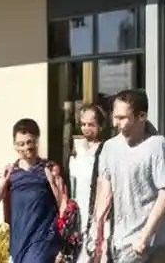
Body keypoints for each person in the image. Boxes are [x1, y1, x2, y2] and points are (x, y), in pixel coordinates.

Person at [0, 119, 72, 263]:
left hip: (43, 243)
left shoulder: (49, 170)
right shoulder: (11, 174)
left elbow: (64, 206)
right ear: (14, 145)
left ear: (36, 141)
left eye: (29, 142)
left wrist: (63, 244)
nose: (26, 147)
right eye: (21, 144)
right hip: (18, 244)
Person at [90, 89, 165, 263]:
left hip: (153, 245)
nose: (116, 123)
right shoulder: (109, 148)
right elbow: (104, 195)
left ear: (141, 116)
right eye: (115, 117)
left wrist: (144, 237)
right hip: (123, 244)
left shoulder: (156, 145)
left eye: (122, 118)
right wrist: (96, 233)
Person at [70, 105, 111, 260]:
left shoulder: (105, 150)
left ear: (100, 125)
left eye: (91, 124)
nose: (86, 128)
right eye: (83, 124)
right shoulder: (76, 149)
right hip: (77, 215)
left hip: (96, 214)